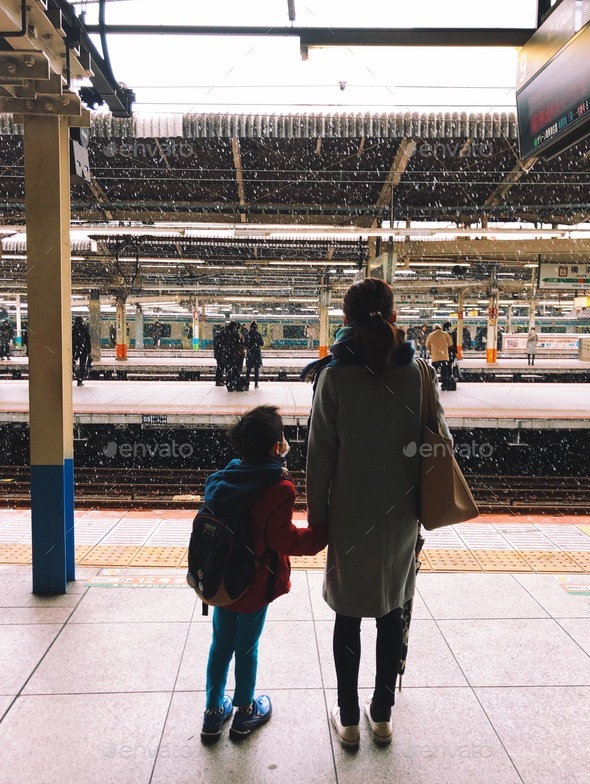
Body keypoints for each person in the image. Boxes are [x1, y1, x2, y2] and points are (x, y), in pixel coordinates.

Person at [306, 278, 450, 749]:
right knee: (392, 612)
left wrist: (318, 519)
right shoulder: (418, 372)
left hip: (350, 513)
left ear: (345, 319)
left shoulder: (333, 376)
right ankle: (382, 714)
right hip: (400, 513)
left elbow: (318, 458)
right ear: (392, 314)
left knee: (348, 614)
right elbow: (441, 443)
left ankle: (348, 719)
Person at [201, 405, 327, 743]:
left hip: (222, 579)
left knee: (220, 645)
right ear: (276, 447)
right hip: (255, 582)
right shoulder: (278, 487)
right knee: (247, 646)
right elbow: (281, 539)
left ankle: (213, 713)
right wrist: (320, 536)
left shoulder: (228, 476)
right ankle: (245, 711)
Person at [426, 323, 454, 390]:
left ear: (434, 328)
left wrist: (431, 351)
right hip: (444, 357)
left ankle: (434, 385)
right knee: (444, 372)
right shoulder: (445, 334)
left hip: (435, 357)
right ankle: (444, 385)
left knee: (434, 372)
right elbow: (450, 344)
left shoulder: (431, 335)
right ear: (440, 327)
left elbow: (427, 345)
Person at [223, 321, 246, 391]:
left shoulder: (225, 333)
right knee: (236, 371)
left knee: (228, 371)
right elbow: (240, 344)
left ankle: (229, 385)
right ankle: (236, 385)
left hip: (227, 355)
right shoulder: (235, 335)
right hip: (234, 355)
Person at [72, 316, 91, 386]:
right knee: (82, 365)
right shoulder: (84, 328)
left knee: (72, 363)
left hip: (74, 349)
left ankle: (70, 377)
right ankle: (80, 380)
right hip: (83, 350)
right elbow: (88, 339)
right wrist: (89, 350)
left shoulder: (73, 329)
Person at [244, 321, 264, 389]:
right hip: (256, 353)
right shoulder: (257, 334)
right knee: (256, 369)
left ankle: (246, 384)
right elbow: (262, 343)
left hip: (250, 353)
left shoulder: (247, 334)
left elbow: (245, 344)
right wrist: (256, 343)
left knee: (248, 369)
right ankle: (256, 384)